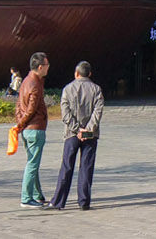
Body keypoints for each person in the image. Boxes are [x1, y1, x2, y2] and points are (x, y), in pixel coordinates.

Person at [46, 61, 103, 211]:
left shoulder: (68, 89)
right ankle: (84, 201)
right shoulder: (97, 90)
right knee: (86, 167)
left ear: (76, 73)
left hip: (72, 133)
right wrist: (87, 130)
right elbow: (98, 113)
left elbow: (65, 115)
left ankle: (59, 201)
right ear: (89, 74)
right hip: (90, 134)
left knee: (67, 166)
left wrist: (77, 129)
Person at [13, 52, 51, 207]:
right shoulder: (35, 84)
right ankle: (26, 198)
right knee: (32, 164)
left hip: (27, 130)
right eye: (47, 65)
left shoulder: (27, 81)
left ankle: (37, 195)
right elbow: (31, 109)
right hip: (35, 128)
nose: (49, 68)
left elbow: (18, 106)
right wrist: (21, 124)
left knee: (32, 162)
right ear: (40, 67)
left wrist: (19, 123)